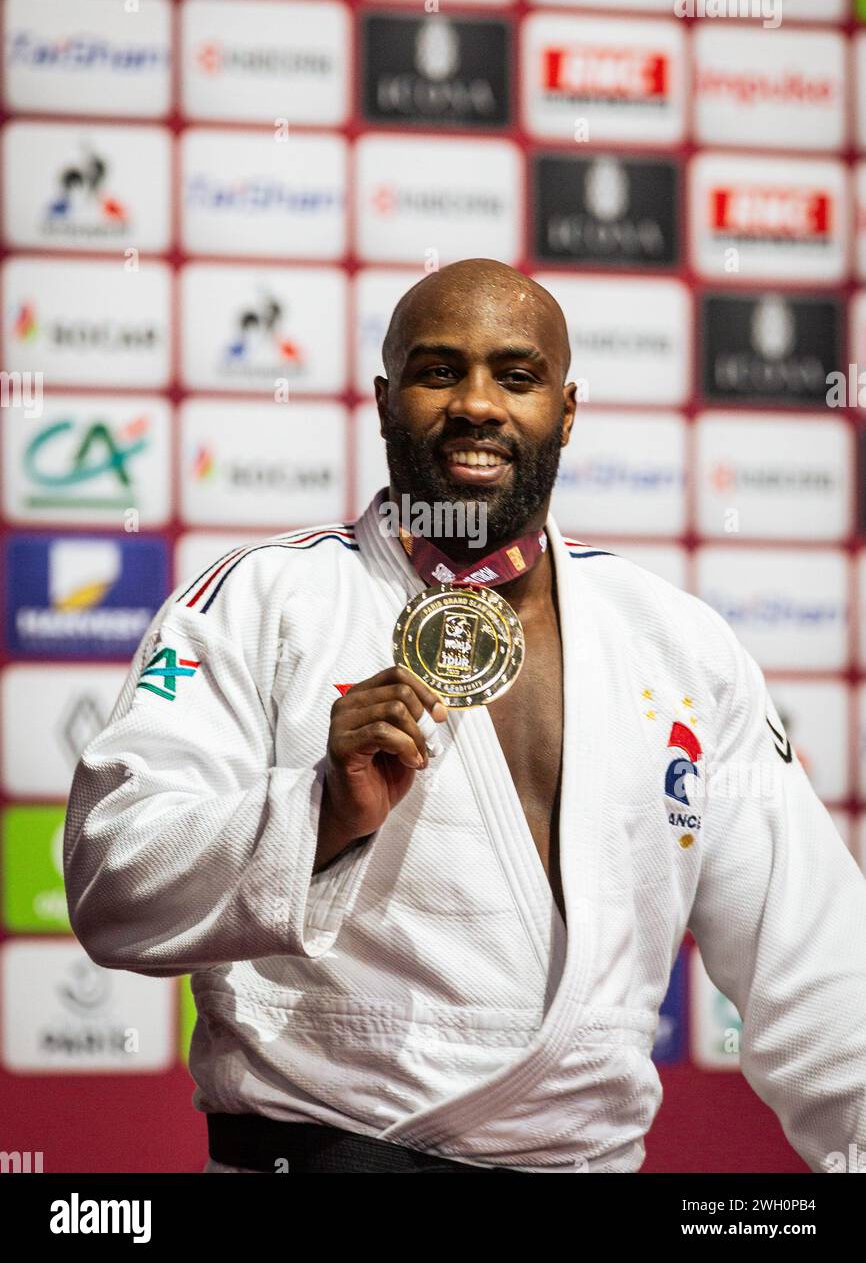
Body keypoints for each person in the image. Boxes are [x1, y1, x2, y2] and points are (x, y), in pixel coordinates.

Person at [64, 258, 866, 1174]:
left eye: (515, 377)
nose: (477, 404)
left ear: (566, 411)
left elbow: (818, 969)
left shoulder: (680, 645)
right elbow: (111, 882)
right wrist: (318, 814)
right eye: (439, 371)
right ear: (383, 400)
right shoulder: (263, 600)